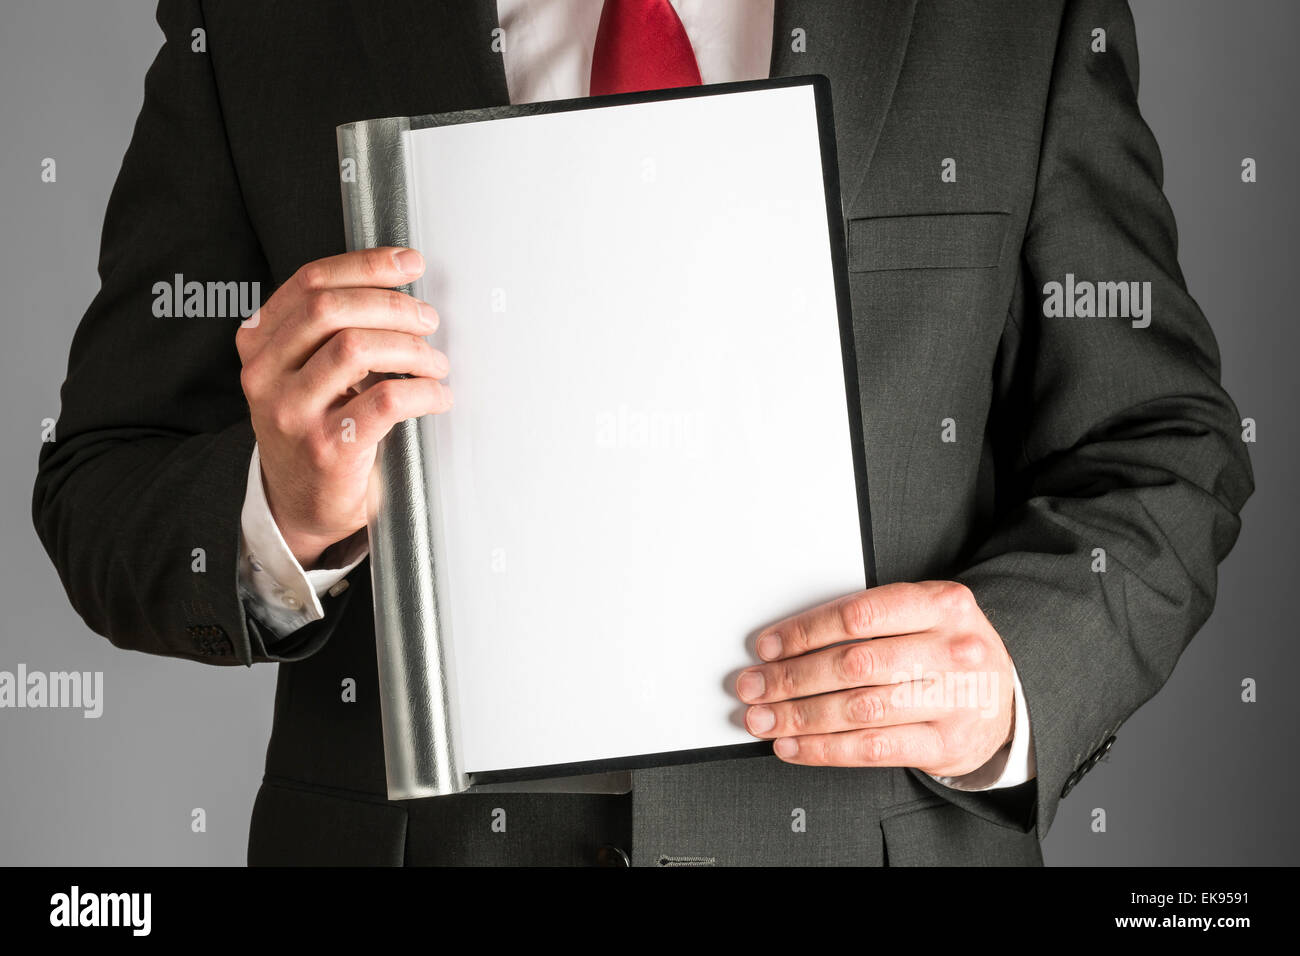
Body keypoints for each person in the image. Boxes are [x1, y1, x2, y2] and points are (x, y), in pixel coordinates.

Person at [33, 0, 1253, 866]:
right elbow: (105, 480)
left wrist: (1009, 677)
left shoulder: (1017, 15)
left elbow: (1162, 443)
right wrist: (282, 515)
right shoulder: (255, 20)